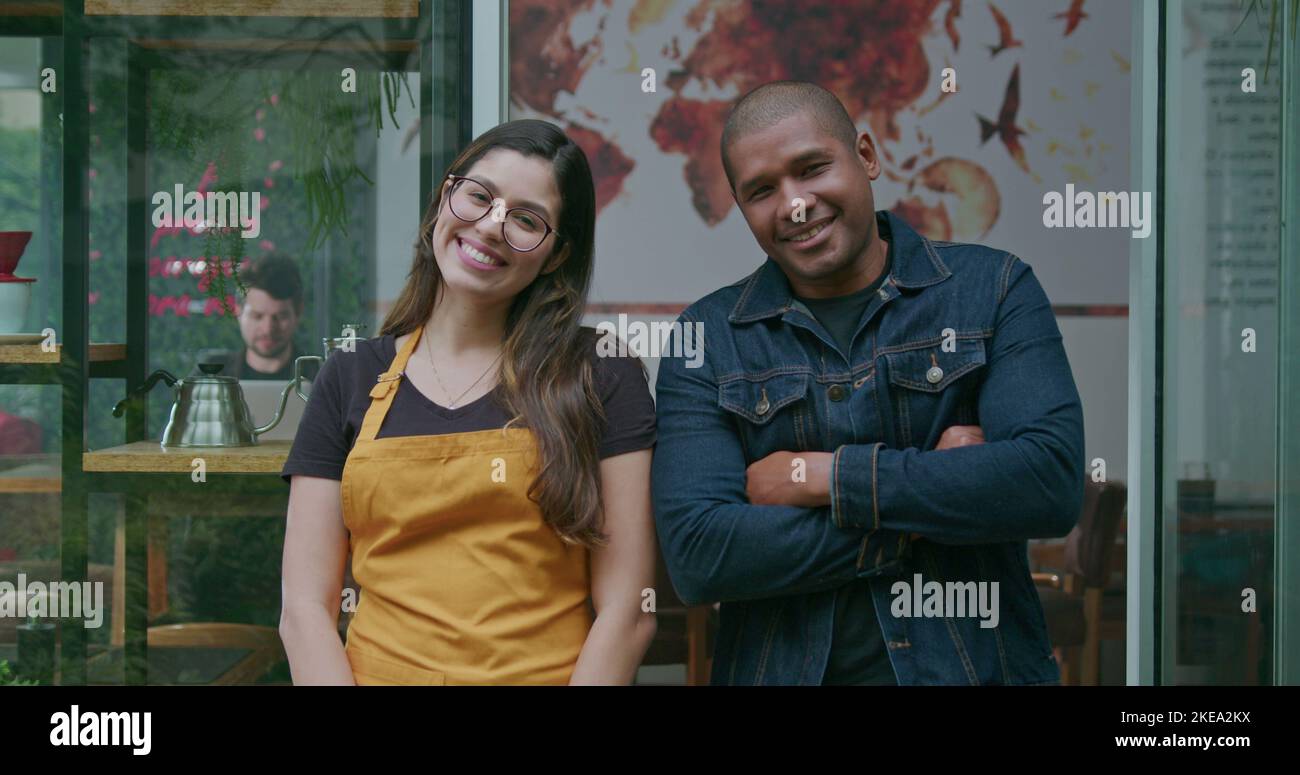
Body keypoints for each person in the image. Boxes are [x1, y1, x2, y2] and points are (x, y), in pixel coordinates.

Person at [651, 81, 1085, 685]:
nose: (794, 204)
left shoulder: (993, 290)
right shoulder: (709, 336)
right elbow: (700, 556)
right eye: (761, 190)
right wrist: (931, 505)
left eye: (811, 168)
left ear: (867, 155)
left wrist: (821, 478)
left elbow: (1047, 483)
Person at [278, 119, 658, 685]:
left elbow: (628, 612)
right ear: (444, 201)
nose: (492, 226)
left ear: (556, 256)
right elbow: (304, 610)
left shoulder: (600, 373)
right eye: (479, 196)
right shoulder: (350, 376)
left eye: (527, 220)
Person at [207, 253, 318, 381]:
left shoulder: (323, 377)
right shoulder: (211, 376)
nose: (268, 329)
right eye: (257, 316)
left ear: (298, 312)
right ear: (238, 311)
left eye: (280, 317)